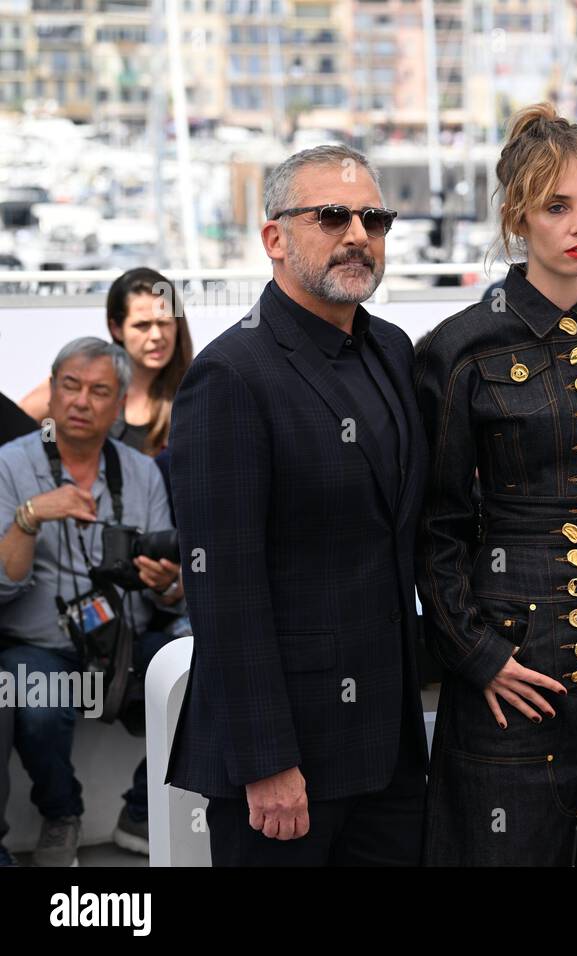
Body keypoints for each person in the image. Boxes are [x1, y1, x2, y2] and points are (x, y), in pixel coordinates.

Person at [415, 103, 577, 866]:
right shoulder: (461, 347)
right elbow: (436, 528)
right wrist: (477, 655)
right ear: (516, 215)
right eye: (557, 206)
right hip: (513, 650)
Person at [165, 144, 430, 866]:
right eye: (332, 216)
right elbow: (223, 585)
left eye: (374, 218)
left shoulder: (393, 352)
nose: (357, 235)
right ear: (275, 239)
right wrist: (267, 761)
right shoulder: (229, 376)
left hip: (392, 751)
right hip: (286, 769)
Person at [0, 337, 185, 866]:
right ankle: (63, 815)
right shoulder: (10, 465)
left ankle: (141, 810)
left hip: (126, 641)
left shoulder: (140, 470)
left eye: (99, 391)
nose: (81, 402)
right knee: (32, 695)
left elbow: (170, 588)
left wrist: (165, 581)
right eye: (70, 386)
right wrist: (31, 515)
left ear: (119, 402)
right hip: (43, 645)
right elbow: (1, 584)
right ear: (53, 392)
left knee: (200, 663)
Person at [21, 268, 194, 457]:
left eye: (164, 323)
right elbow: (16, 426)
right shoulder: (83, 376)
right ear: (116, 328)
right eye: (142, 325)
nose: (156, 336)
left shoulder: (194, 388)